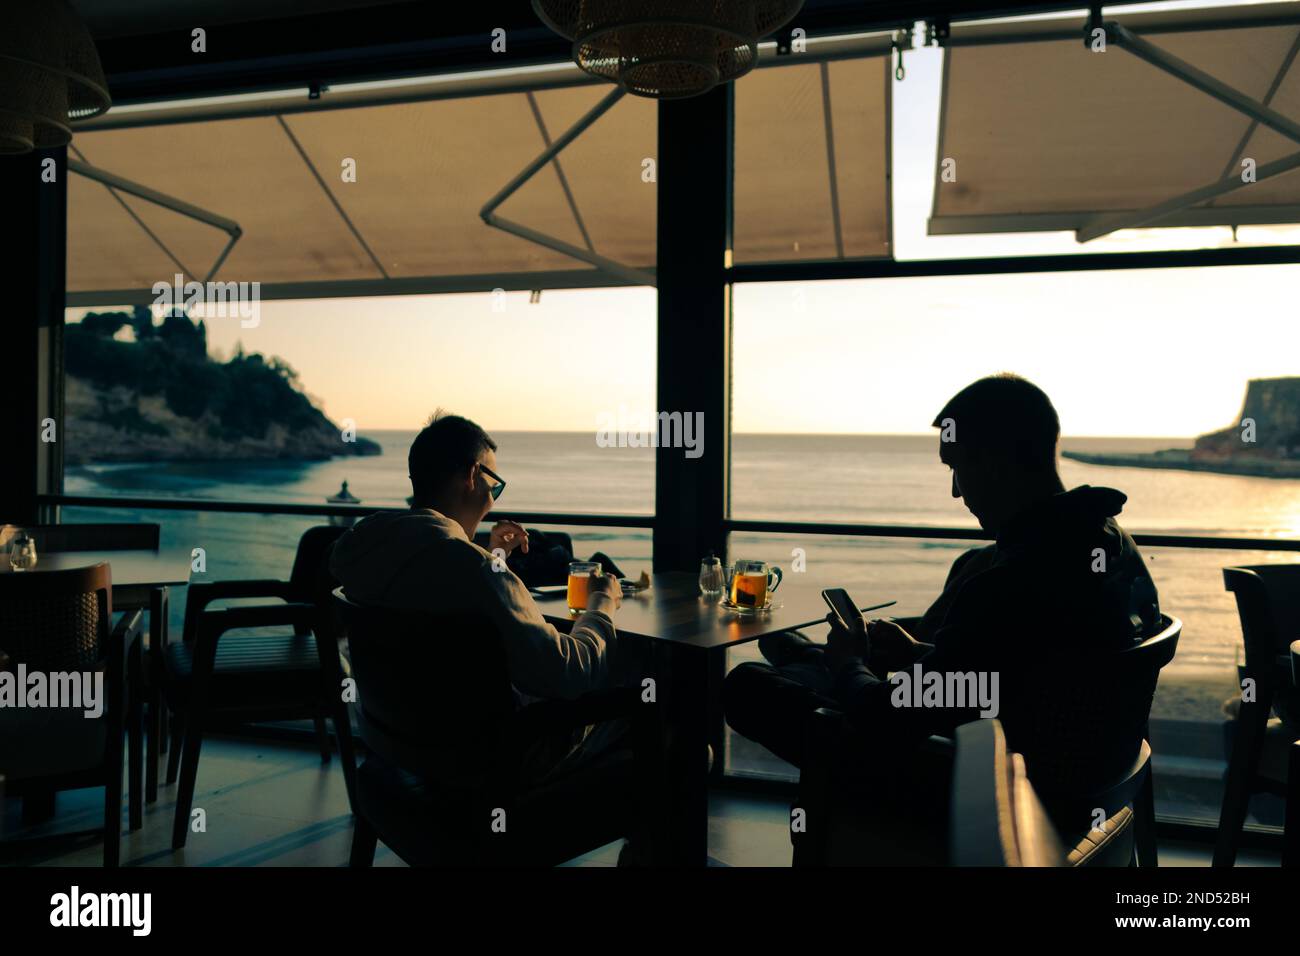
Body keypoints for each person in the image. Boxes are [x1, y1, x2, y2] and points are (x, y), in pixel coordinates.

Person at [723, 374, 1162, 855]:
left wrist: (852, 667)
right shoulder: (1110, 543)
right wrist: (919, 655)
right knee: (829, 669)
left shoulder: (1010, 581)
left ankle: (821, 663)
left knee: (746, 685)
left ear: (996, 461)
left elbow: (888, 720)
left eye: (959, 468)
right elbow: (1023, 665)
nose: (956, 492)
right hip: (1068, 774)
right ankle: (816, 660)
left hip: (996, 790)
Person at [329, 411, 640, 783]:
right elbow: (568, 674)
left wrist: (492, 559)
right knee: (665, 720)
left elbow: (433, 584)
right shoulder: (477, 573)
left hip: (403, 746)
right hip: (494, 761)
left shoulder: (362, 552)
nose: (492, 499)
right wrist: (601, 603)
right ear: (473, 476)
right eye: (495, 485)